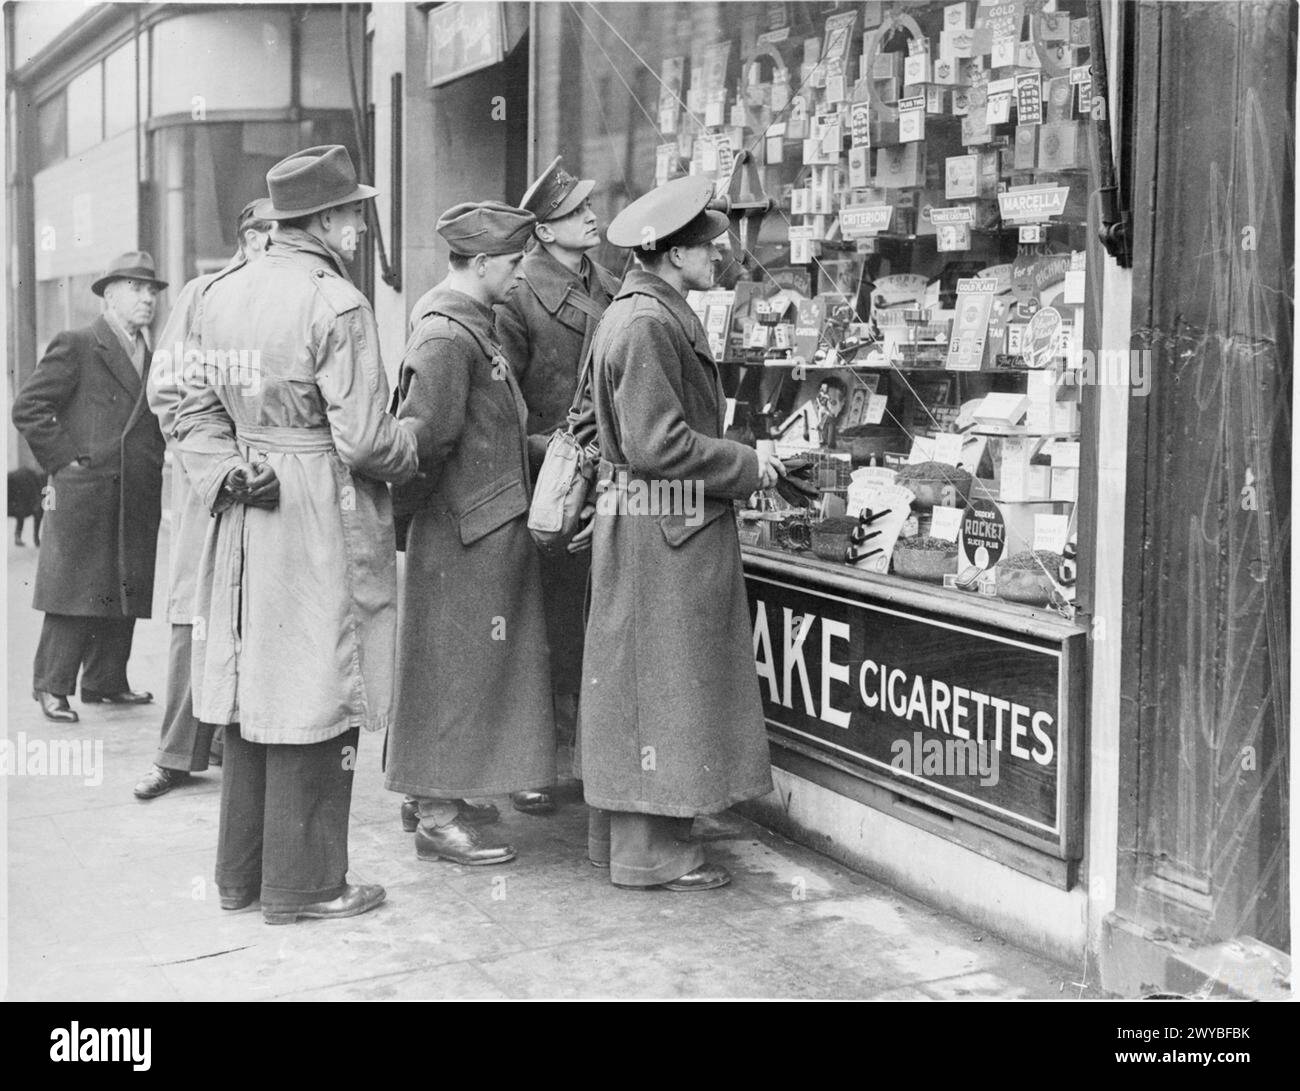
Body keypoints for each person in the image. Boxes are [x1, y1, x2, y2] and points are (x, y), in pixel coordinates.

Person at [173, 145, 418, 924]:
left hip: (248, 500)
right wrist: (416, 443)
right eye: (351, 211)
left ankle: (242, 875)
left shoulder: (216, 293)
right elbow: (367, 442)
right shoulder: (336, 303)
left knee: (255, 687)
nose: (358, 223)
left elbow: (188, 410)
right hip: (318, 502)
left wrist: (225, 471)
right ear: (324, 219)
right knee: (320, 680)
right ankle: (308, 884)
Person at [581, 175, 785, 891]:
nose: (721, 257)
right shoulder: (647, 324)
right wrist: (749, 465)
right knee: (658, 683)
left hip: (652, 524)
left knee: (643, 682)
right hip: (662, 524)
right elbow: (659, 445)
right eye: (710, 247)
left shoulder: (636, 312)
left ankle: (630, 839)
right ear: (672, 254)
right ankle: (649, 851)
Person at [385, 200, 555, 867]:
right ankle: (434, 813)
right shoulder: (447, 337)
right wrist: (435, 528)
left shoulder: (468, 327)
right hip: (462, 538)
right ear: (480, 263)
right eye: (513, 263)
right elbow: (419, 446)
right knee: (448, 678)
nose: (519, 276)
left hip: (479, 531)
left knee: (470, 675)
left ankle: (447, 793)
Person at [494, 155, 621, 817]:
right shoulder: (517, 296)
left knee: (585, 619)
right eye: (574, 213)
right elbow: (501, 404)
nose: (591, 217)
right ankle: (533, 762)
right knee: (541, 626)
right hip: (549, 484)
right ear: (543, 232)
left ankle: (578, 751)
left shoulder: (608, 281)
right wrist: (547, 451)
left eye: (589, 207)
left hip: (607, 476)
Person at [133, 202, 273, 801]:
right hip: (210, 484)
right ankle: (176, 753)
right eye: (276, 233)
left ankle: (234, 737)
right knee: (197, 611)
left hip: (275, 485)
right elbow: (166, 389)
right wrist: (215, 455)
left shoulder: (295, 294)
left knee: (264, 610)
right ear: (250, 238)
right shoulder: (202, 293)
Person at [12, 252, 168, 723]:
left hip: (135, 489)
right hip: (87, 490)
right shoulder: (79, 343)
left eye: (153, 291)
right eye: (138, 289)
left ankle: (105, 681)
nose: (148, 299)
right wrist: (67, 462)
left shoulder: (153, 352)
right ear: (110, 293)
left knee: (124, 584)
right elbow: (30, 407)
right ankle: (51, 687)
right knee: (73, 591)